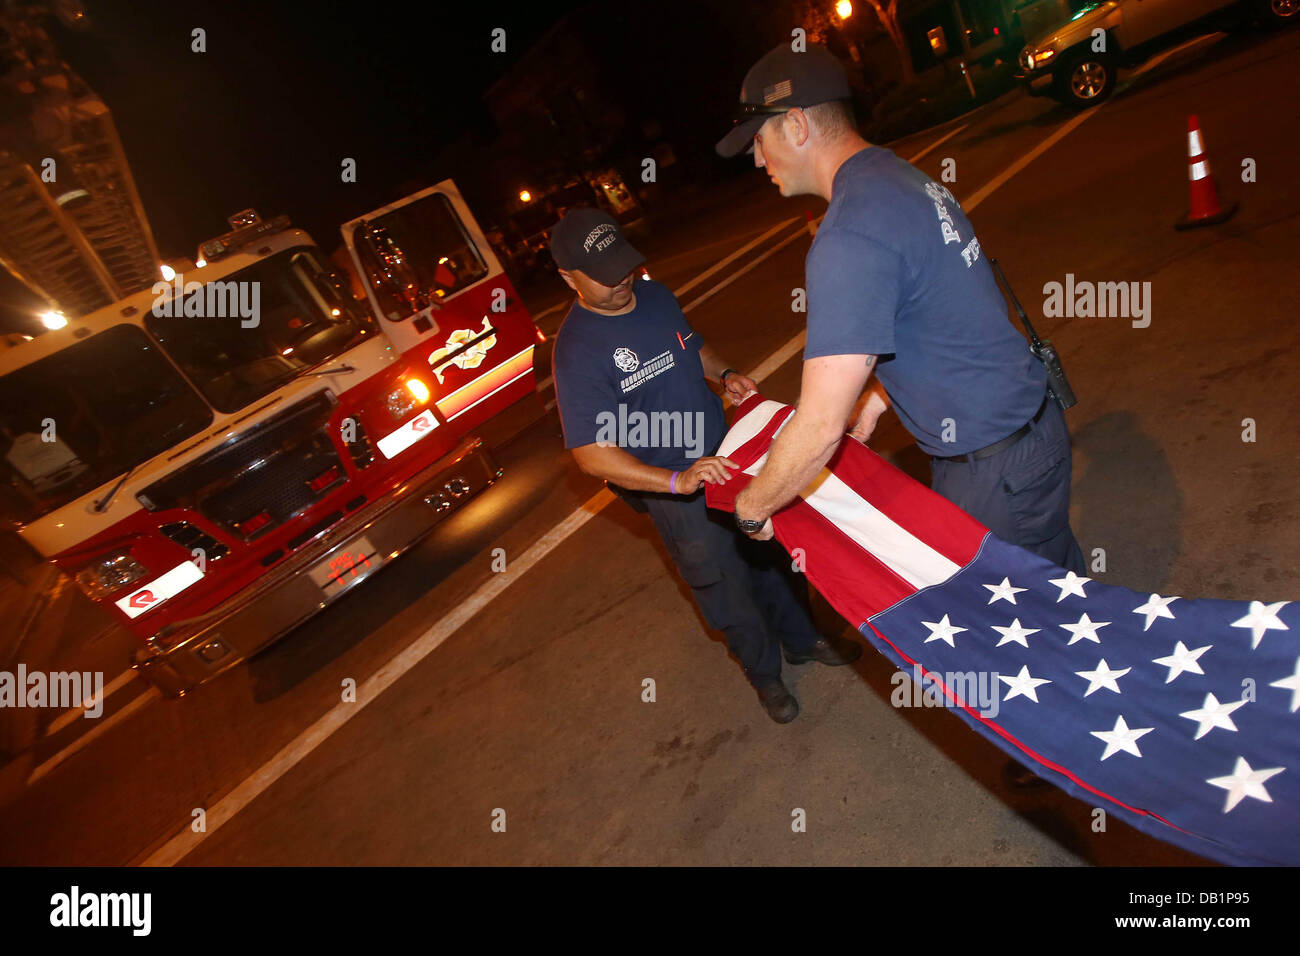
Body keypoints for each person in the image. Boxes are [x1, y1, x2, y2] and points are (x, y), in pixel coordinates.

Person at [714, 42, 1086, 579]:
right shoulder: (899, 178)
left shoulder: (847, 236)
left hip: (994, 467)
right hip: (1028, 431)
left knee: (1020, 638)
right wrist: (876, 401)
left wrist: (752, 508)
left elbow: (819, 424)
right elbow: (934, 311)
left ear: (795, 125)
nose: (756, 158)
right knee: (1063, 595)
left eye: (758, 139)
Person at [547, 207, 862, 723]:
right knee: (724, 585)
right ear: (568, 278)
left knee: (770, 553)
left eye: (623, 264)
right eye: (605, 276)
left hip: (730, 453)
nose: (622, 280)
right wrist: (677, 479)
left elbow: (689, 349)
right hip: (677, 491)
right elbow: (591, 454)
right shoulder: (576, 351)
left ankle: (804, 639)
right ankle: (765, 677)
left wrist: (727, 373)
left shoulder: (654, 295)